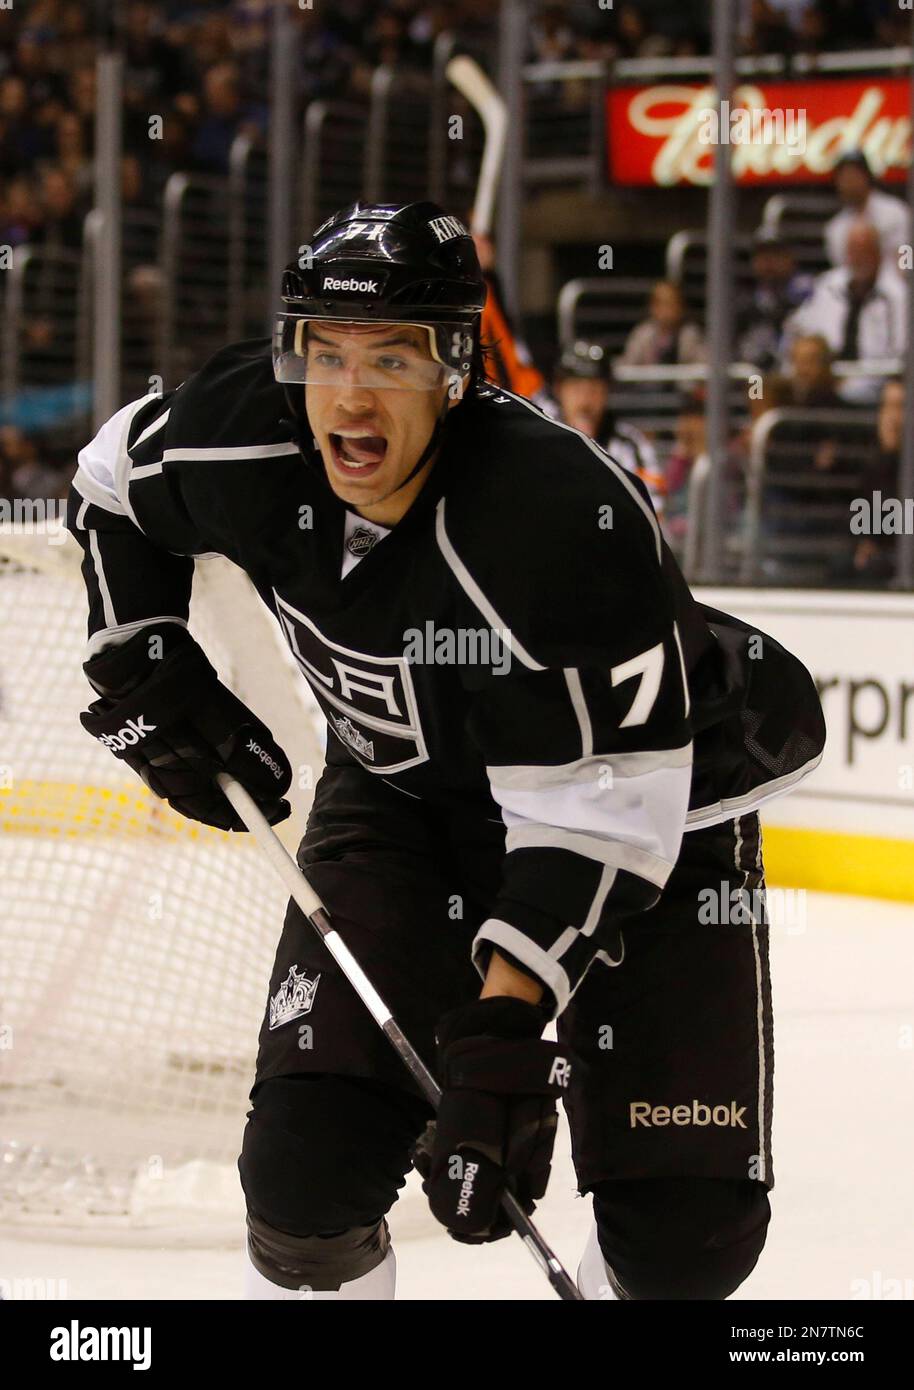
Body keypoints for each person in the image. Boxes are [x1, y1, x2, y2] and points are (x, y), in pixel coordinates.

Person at [67, 201, 824, 1301]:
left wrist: (503, 1030)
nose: (350, 393)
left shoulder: (559, 519)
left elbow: (596, 814)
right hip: (402, 804)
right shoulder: (242, 431)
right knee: (302, 1186)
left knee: (685, 1241)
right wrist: (138, 660)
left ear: (457, 368)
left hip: (655, 813)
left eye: (392, 357)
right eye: (323, 352)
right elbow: (106, 486)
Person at [783, 221, 906, 403]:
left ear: (878, 254)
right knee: (769, 387)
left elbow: (900, 352)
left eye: (865, 251)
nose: (859, 258)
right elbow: (798, 329)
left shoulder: (898, 295)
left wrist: (853, 380)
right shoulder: (827, 285)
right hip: (824, 377)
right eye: (853, 251)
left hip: (874, 382)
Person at [553, 340, 665, 512]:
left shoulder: (632, 444)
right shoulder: (541, 438)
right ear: (559, 390)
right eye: (576, 389)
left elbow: (654, 510)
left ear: (607, 392)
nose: (585, 400)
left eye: (594, 390)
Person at [736, 229, 813, 371]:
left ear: (790, 258)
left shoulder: (809, 292)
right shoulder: (746, 303)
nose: (768, 262)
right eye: (762, 256)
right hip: (758, 377)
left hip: (797, 372)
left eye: (775, 255)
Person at [824, 150, 909, 277]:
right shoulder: (835, 228)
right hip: (857, 292)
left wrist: (904, 282)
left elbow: (906, 254)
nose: (849, 183)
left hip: (896, 285)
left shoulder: (895, 212)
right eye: (844, 178)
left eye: (854, 175)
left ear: (867, 176)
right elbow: (843, 272)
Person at [619, 279, 706, 369]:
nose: (666, 310)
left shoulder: (691, 335)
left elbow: (704, 369)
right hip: (648, 382)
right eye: (661, 303)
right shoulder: (642, 334)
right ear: (652, 307)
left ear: (681, 306)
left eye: (671, 303)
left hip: (682, 383)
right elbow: (626, 369)